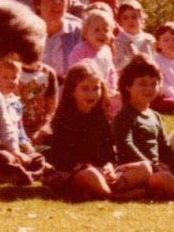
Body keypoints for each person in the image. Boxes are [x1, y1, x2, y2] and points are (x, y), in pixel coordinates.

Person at [41, 64, 150, 202]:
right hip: (76, 173)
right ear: (72, 91)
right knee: (89, 174)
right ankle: (115, 196)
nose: (91, 94)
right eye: (85, 89)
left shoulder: (100, 118)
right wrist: (85, 166)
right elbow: (60, 158)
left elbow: (110, 152)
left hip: (102, 171)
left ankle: (107, 188)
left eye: (96, 88)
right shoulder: (64, 119)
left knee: (144, 167)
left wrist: (109, 167)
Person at [112, 55, 174, 200]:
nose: (149, 88)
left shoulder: (155, 116)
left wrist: (171, 165)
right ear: (128, 86)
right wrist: (152, 166)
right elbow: (126, 146)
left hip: (157, 170)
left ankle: (154, 191)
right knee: (161, 177)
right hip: (137, 170)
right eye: (142, 84)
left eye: (153, 84)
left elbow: (165, 147)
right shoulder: (124, 115)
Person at [34, 0, 82, 72]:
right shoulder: (26, 33)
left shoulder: (78, 33)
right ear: (38, 3)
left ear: (68, 3)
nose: (57, 2)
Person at [112, 0, 154, 69]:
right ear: (120, 22)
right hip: (129, 77)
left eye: (134, 17)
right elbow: (116, 66)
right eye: (125, 18)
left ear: (141, 18)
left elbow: (156, 61)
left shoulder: (149, 40)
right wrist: (129, 58)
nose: (130, 20)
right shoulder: (119, 41)